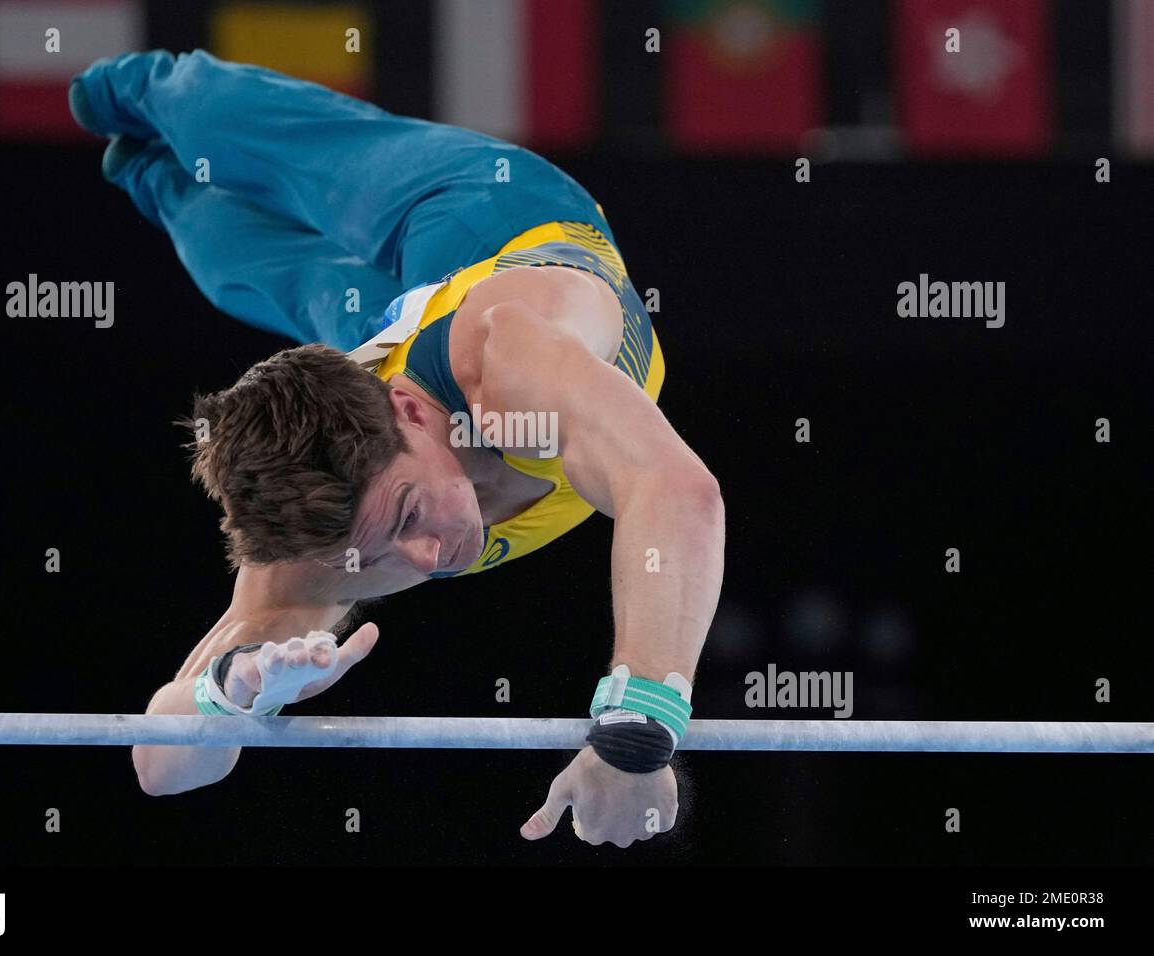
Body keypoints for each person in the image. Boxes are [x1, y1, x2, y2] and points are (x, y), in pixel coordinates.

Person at [70, 50, 725, 848]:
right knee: (235, 261)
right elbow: (158, 764)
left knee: (281, 146)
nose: (425, 557)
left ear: (410, 410)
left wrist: (636, 736)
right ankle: (147, 174)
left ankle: (129, 88)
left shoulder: (514, 360)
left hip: (485, 217)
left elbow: (676, 491)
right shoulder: (329, 537)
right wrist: (230, 693)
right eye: (380, 549)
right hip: (379, 343)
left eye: (411, 511)